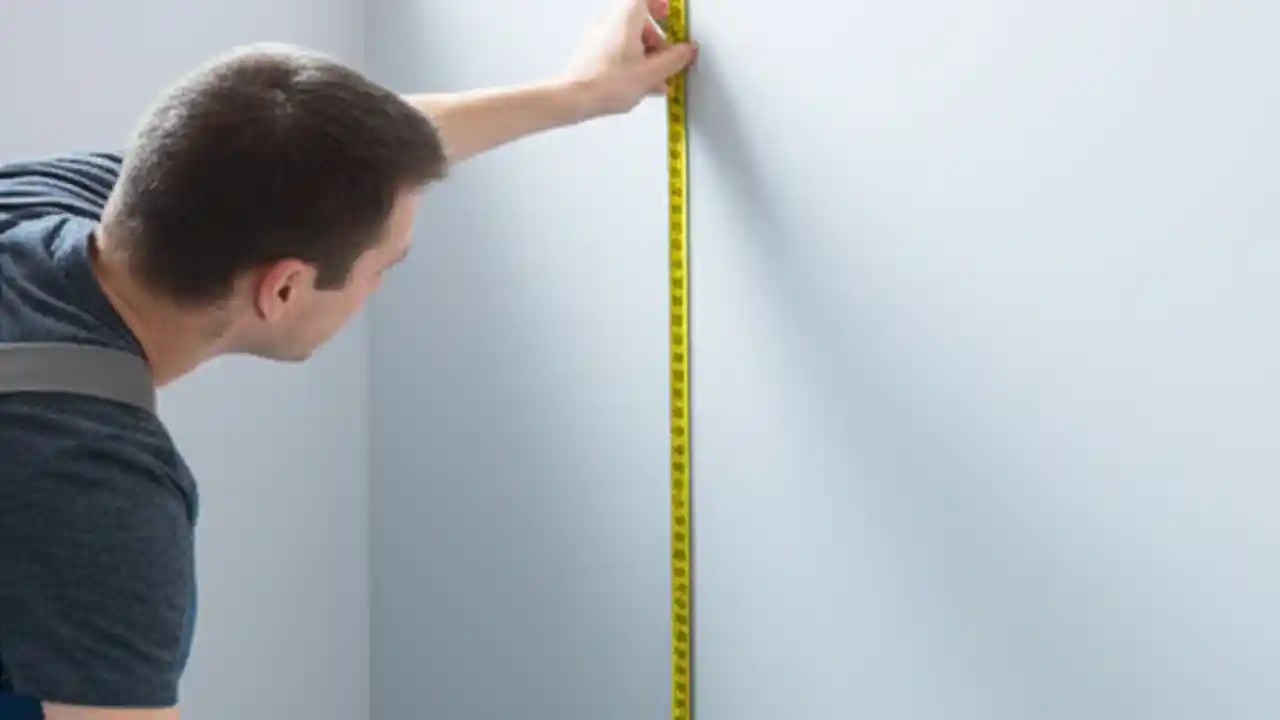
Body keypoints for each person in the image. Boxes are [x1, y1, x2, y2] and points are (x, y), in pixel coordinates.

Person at [0, 1, 696, 717]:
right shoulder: (100, 499)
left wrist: (573, 95)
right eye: (384, 267)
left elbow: (314, 154)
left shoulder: (51, 206)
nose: (382, 284)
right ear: (286, 287)